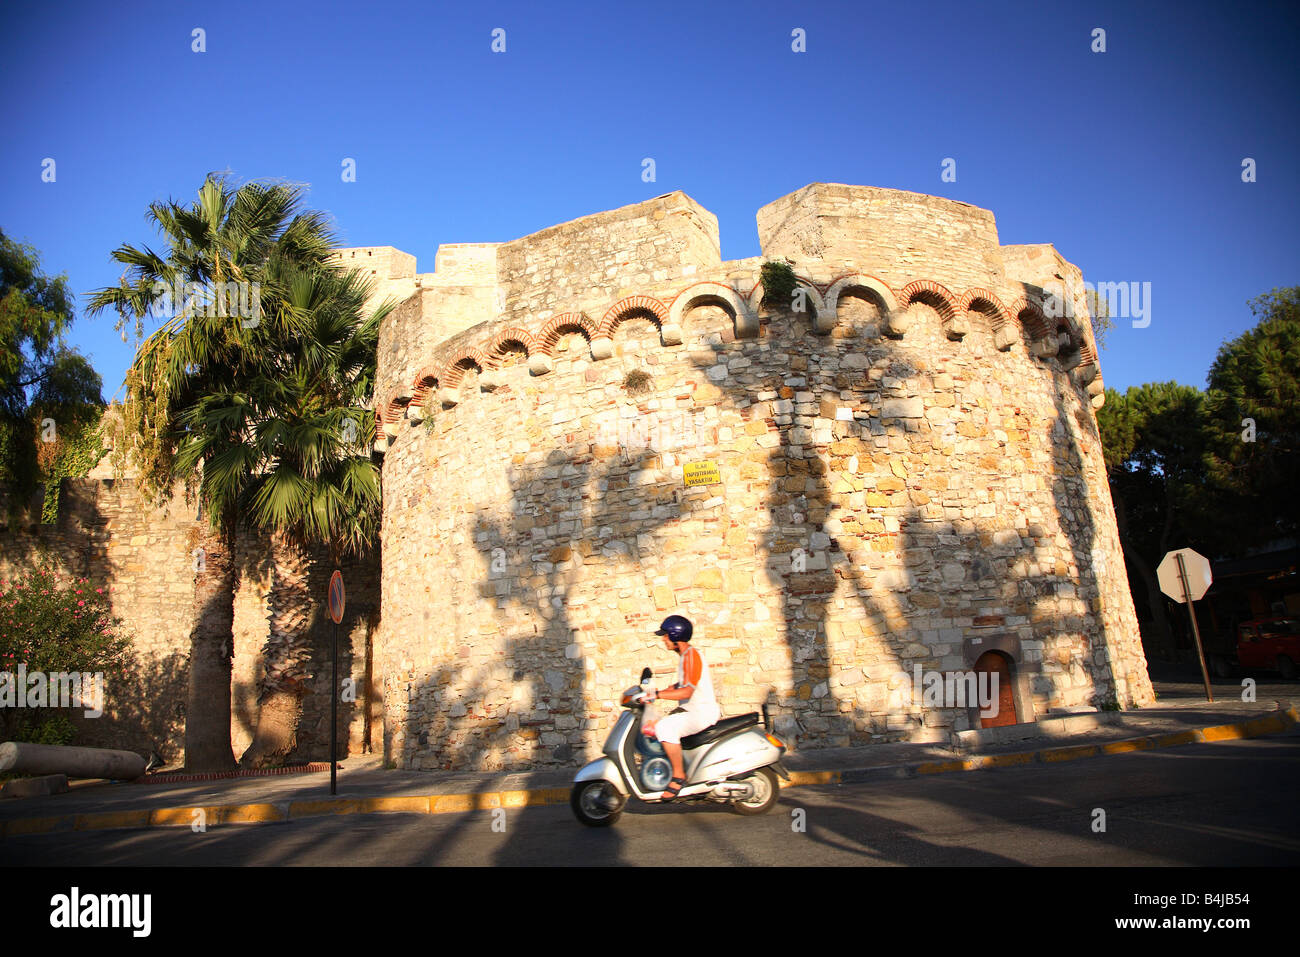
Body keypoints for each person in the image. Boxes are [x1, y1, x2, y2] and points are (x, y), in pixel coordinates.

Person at [643, 614, 720, 801]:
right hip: (694, 711)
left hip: (701, 712)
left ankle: (678, 776)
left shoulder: (691, 656)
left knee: (665, 727)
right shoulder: (686, 656)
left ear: (676, 636)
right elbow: (683, 684)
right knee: (662, 723)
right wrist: (660, 691)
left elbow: (686, 692)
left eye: (666, 635)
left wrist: (658, 695)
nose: (664, 639)